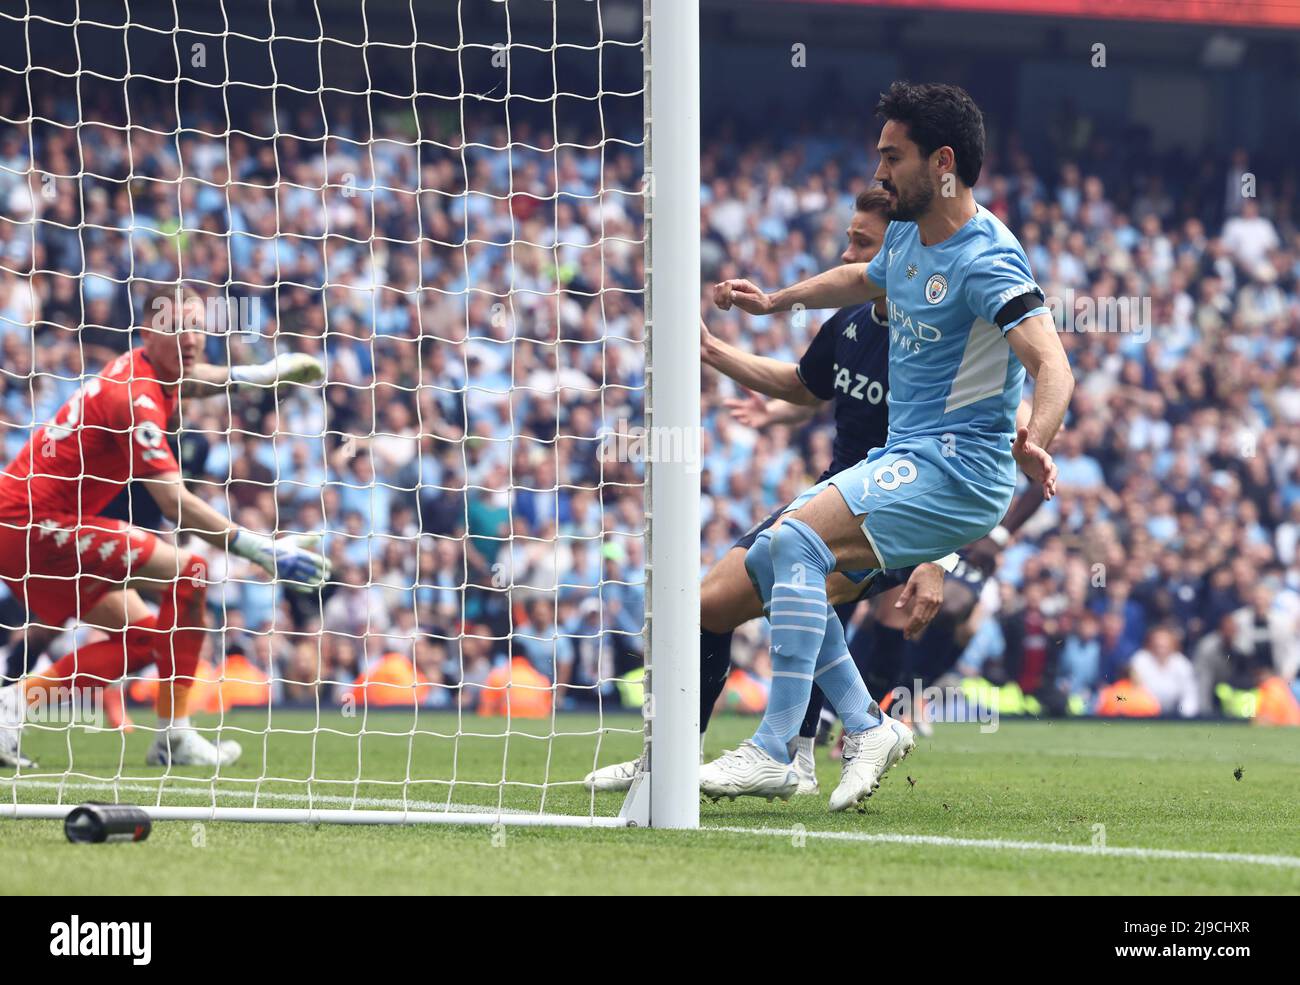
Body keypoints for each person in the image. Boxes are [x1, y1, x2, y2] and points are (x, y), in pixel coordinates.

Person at [705, 81, 1073, 811]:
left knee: (798, 539)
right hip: (909, 457)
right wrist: (778, 301)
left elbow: (1053, 364)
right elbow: (859, 276)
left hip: (961, 470)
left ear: (942, 163)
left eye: (891, 157)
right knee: (783, 551)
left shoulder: (987, 258)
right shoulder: (907, 229)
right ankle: (868, 724)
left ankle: (778, 749)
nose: (879, 173)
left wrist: (1036, 436)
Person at [583, 190, 951, 797]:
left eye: (861, 243)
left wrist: (939, 561)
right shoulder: (853, 324)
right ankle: (671, 762)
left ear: (897, 251)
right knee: (708, 604)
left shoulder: (938, 339)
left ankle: (787, 753)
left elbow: (980, 439)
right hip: (835, 499)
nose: (846, 252)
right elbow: (805, 387)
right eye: (850, 238)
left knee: (799, 585)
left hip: (902, 514)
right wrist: (710, 350)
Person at [0, 284, 330, 768]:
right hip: (32, 524)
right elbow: (175, 503)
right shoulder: (135, 397)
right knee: (190, 571)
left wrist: (259, 374)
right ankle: (174, 734)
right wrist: (261, 549)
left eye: (196, 327)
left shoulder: (154, 371)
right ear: (147, 334)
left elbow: (196, 379)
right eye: (176, 328)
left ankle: (11, 706)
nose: (190, 338)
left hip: (36, 528)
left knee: (150, 637)